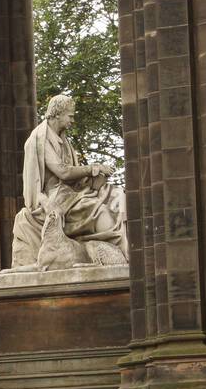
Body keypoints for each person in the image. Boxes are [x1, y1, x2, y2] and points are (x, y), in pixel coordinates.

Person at [11, 93, 127, 270]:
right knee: (101, 210)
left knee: (115, 195)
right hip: (56, 196)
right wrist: (93, 168)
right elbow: (62, 171)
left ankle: (119, 258)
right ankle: (114, 258)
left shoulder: (63, 139)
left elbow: (72, 174)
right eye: (70, 115)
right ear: (58, 114)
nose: (72, 120)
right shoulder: (40, 138)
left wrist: (93, 177)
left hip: (70, 193)